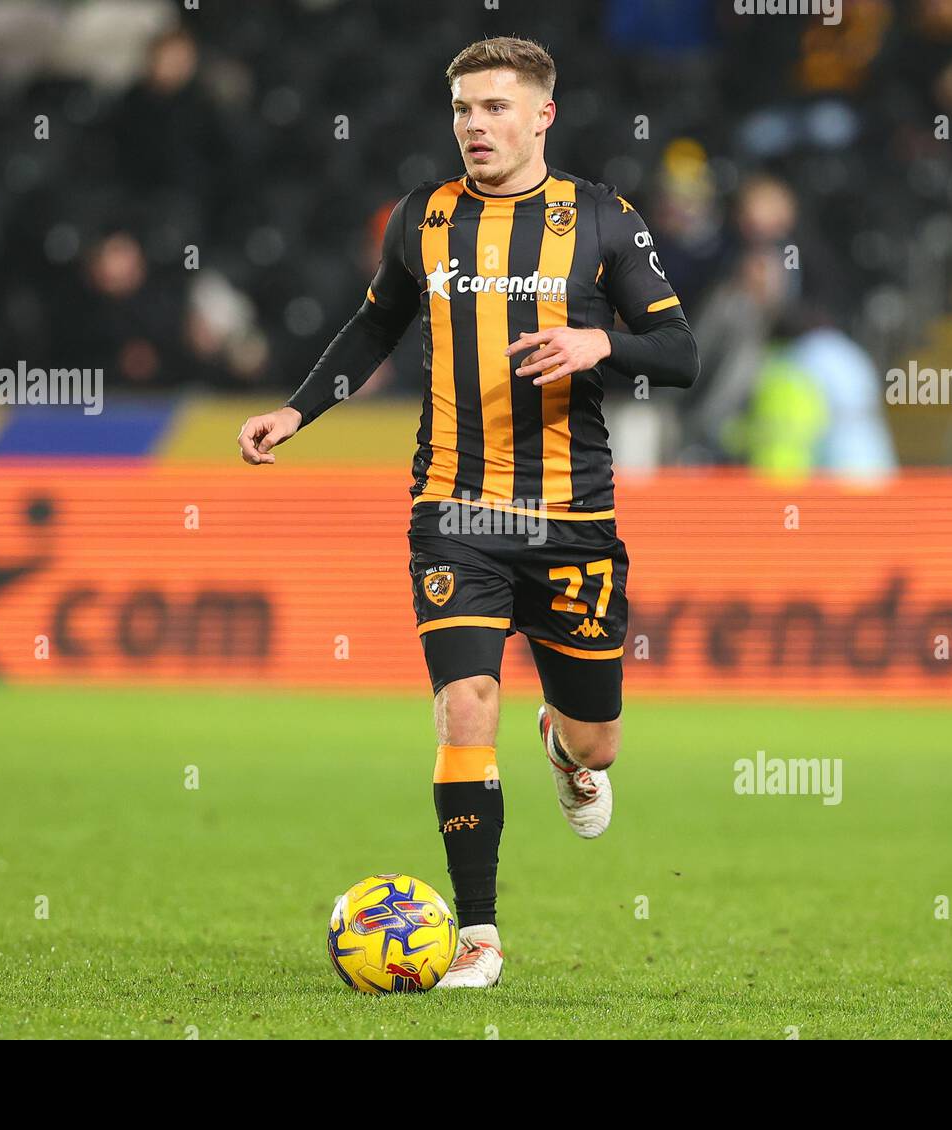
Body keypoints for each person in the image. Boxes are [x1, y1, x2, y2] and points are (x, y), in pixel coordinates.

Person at [236, 35, 698, 988]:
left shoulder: (602, 218)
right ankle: (479, 935)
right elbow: (375, 322)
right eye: (462, 110)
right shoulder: (423, 218)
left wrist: (595, 344)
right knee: (464, 702)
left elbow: (683, 351)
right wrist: (298, 407)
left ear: (542, 115)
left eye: (495, 108)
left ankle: (565, 752)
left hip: (573, 515)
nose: (475, 127)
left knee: (597, 734)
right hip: (455, 506)